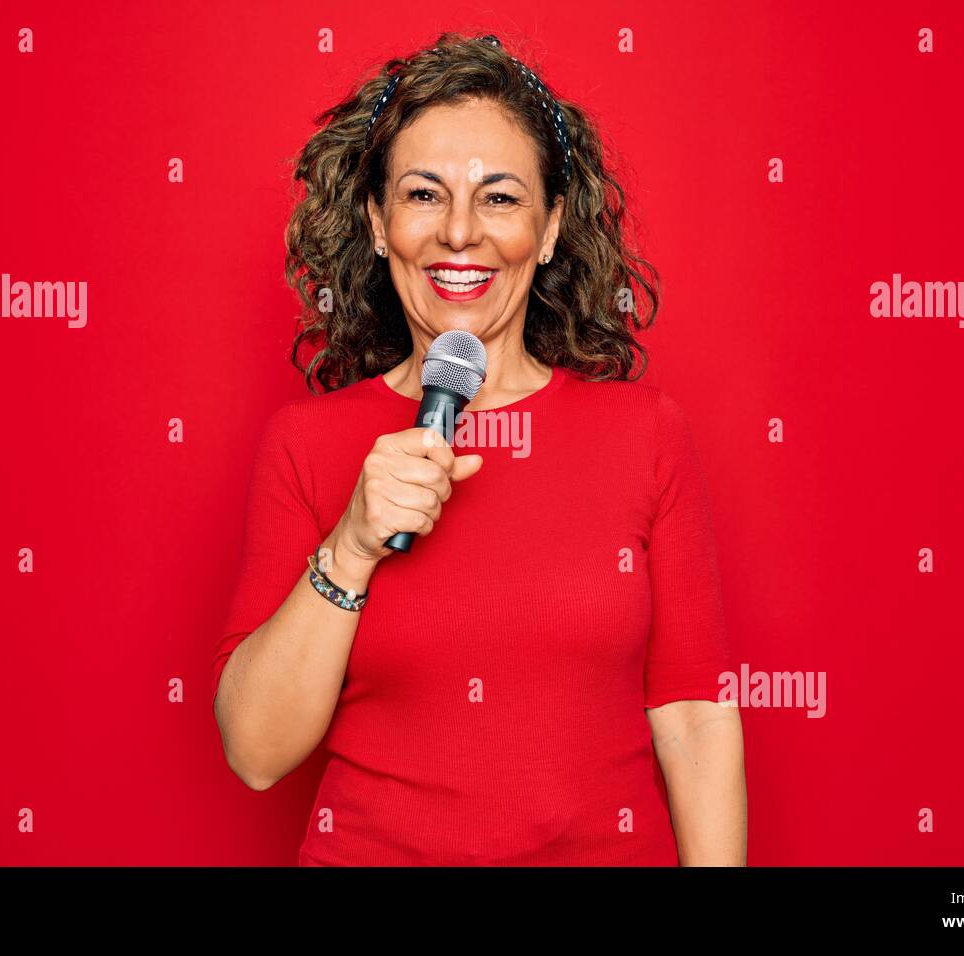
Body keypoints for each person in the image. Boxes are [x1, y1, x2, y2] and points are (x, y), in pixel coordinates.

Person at [212, 32, 746, 866]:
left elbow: (694, 712)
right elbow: (255, 752)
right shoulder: (307, 446)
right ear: (379, 225)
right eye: (423, 195)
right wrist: (350, 547)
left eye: (499, 198)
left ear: (550, 227)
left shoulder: (647, 435)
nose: (459, 233)